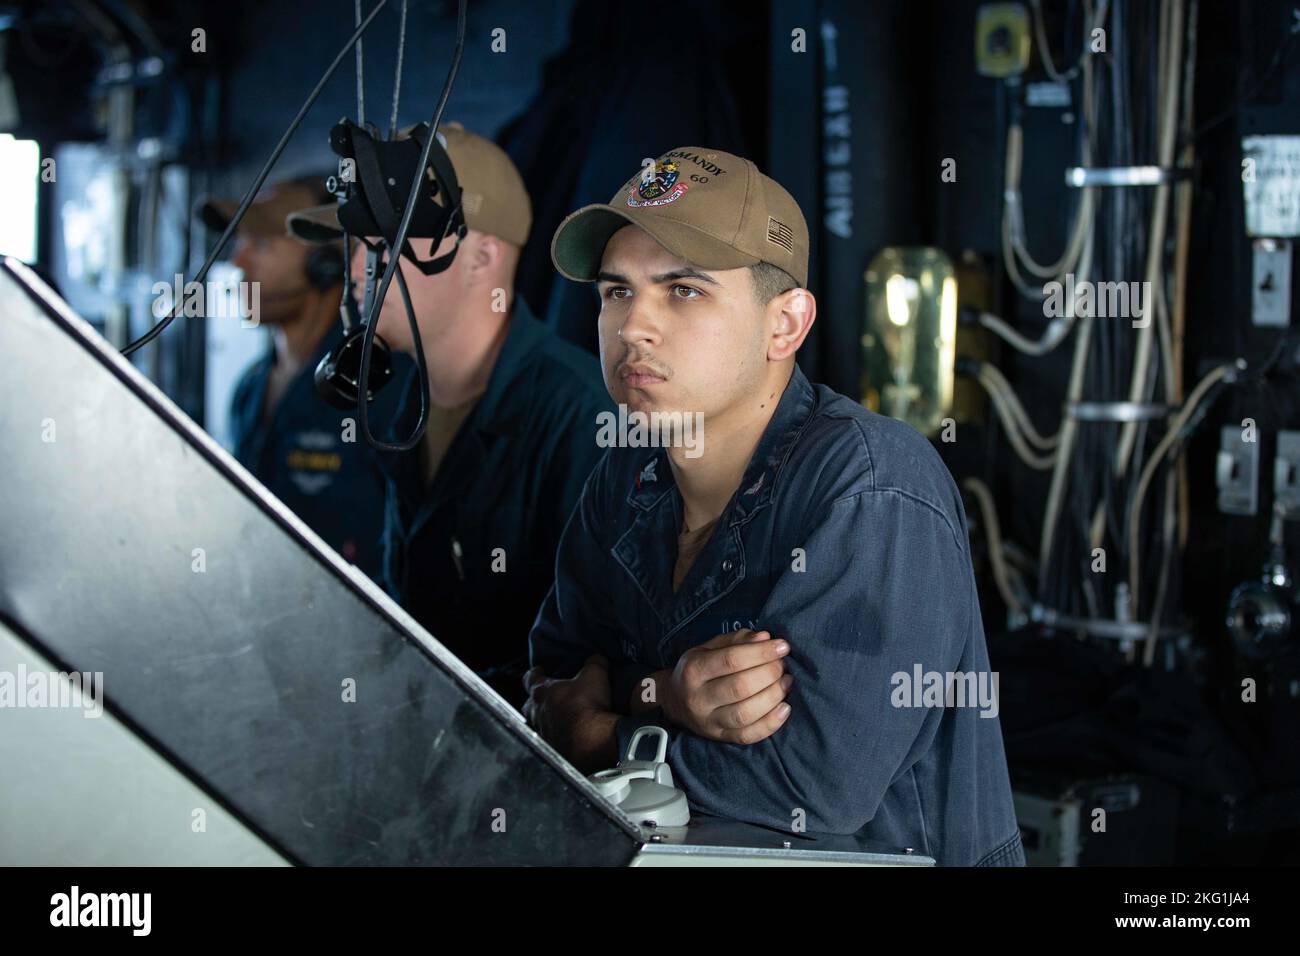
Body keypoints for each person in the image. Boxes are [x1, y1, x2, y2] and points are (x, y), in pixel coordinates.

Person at [525, 147, 1024, 866]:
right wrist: (665, 697)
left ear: (785, 325)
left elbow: (813, 788)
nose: (634, 326)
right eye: (616, 292)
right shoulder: (625, 477)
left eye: (684, 290)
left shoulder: (871, 487)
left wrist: (603, 735)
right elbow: (550, 687)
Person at [289, 124, 612, 707]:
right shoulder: (395, 401)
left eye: (383, 243)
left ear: (481, 257)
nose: (359, 265)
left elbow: (590, 662)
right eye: (358, 244)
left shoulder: (581, 417)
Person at [198, 175, 395, 581]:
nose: (238, 261)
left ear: (326, 263)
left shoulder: (375, 383)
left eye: (263, 244)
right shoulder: (250, 388)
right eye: (240, 244)